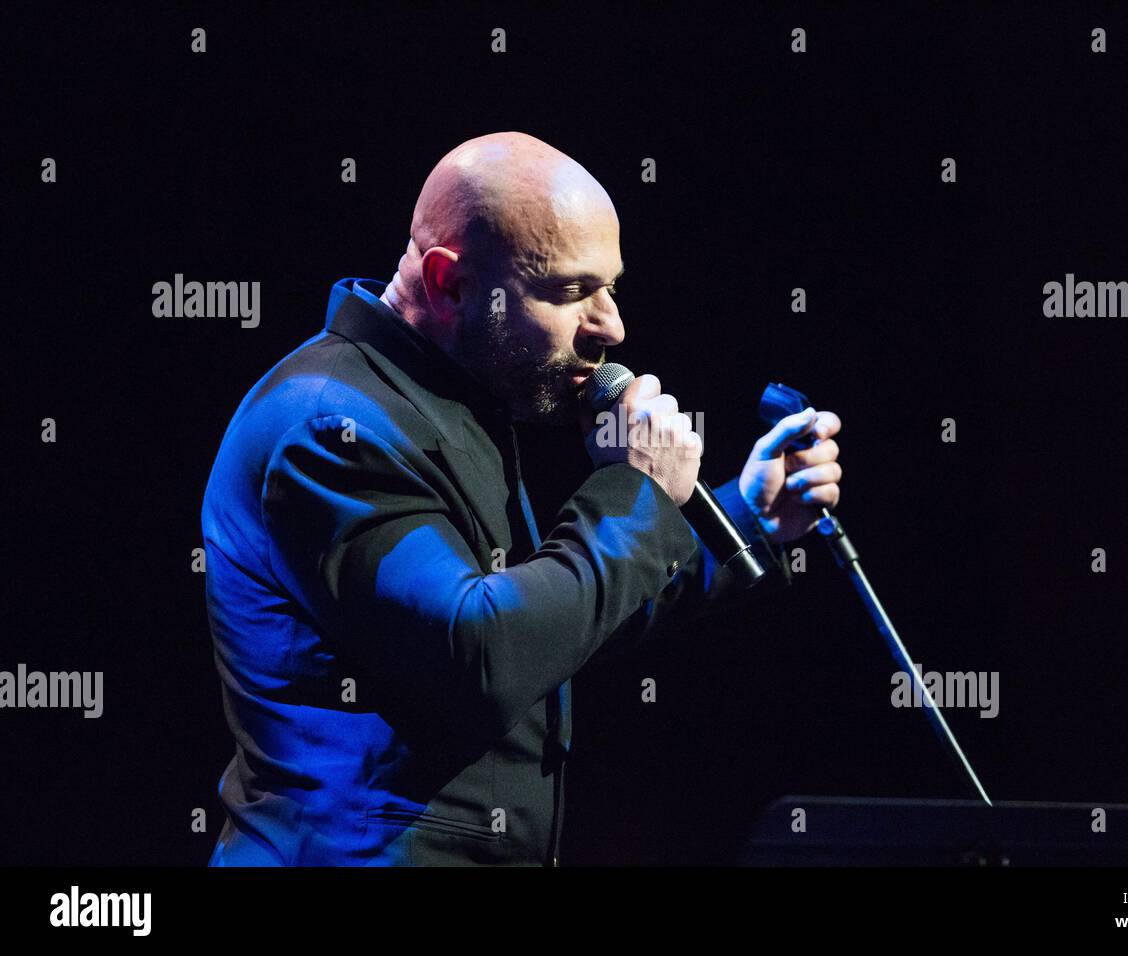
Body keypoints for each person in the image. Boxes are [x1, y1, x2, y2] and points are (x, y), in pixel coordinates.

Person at [201, 131, 843, 866]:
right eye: (570, 292)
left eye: (610, 287)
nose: (611, 326)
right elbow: (482, 656)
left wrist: (746, 515)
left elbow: (550, 626)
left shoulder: (444, 401)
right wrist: (633, 489)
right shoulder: (330, 427)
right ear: (449, 284)